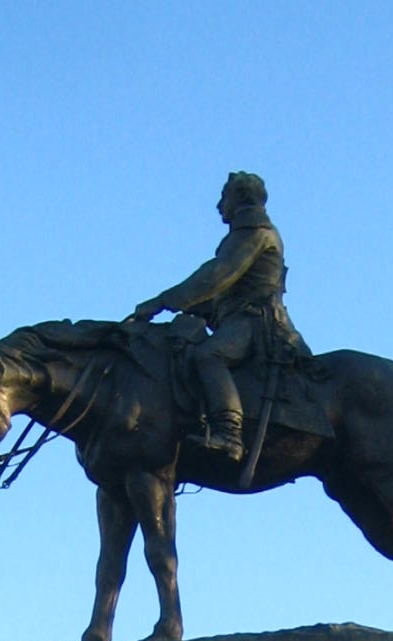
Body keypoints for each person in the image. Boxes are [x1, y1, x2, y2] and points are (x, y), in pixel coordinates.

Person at [129, 172, 308, 461]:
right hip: (238, 317)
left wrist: (163, 301)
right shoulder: (243, 234)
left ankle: (229, 434)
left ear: (241, 199)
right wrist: (188, 309)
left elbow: (217, 276)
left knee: (208, 355)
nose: (218, 205)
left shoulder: (256, 234)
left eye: (224, 197)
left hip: (256, 323)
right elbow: (220, 295)